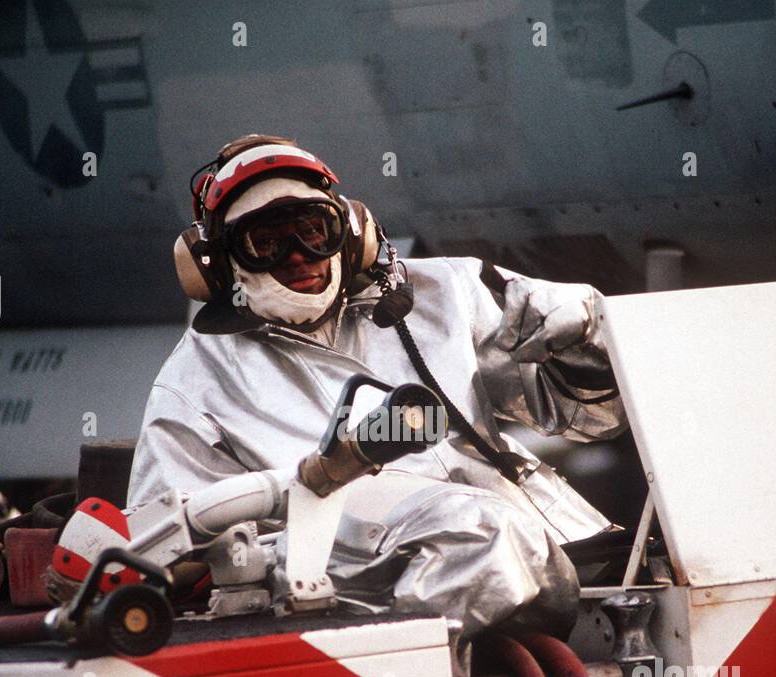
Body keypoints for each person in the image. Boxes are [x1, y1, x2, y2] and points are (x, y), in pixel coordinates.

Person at [128, 134, 628, 639]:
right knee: (480, 537)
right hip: (368, 594)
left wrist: (586, 343)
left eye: (313, 231)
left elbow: (594, 419)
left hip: (561, 553)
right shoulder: (194, 386)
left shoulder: (444, 294)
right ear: (215, 263)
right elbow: (169, 551)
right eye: (267, 243)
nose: (300, 256)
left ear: (349, 233)